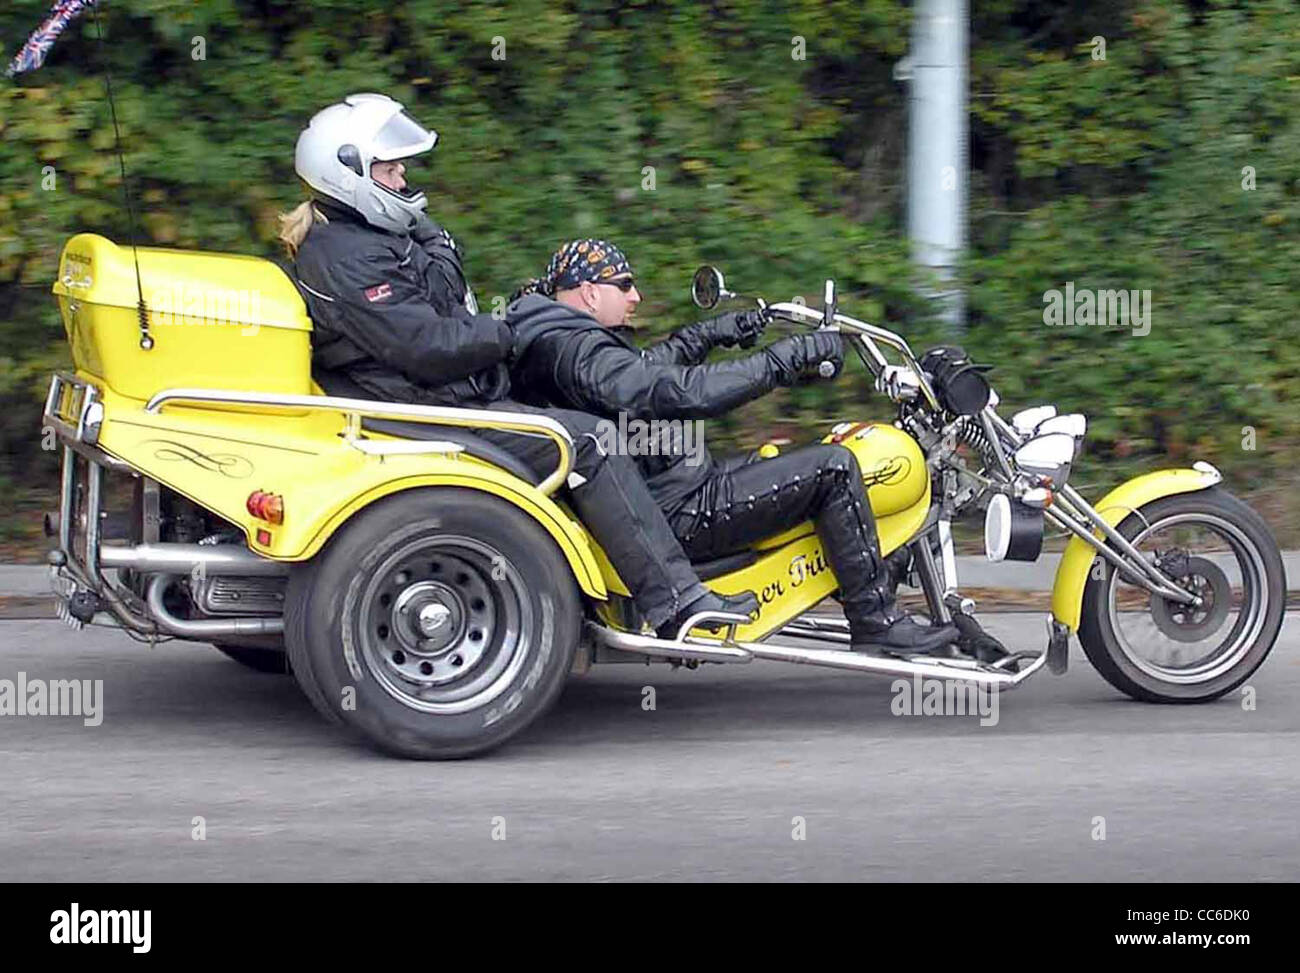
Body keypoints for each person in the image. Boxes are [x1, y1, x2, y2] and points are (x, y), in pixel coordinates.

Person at [278, 94, 757, 637]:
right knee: (593, 441)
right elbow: (428, 346)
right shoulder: (352, 257)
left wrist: (432, 238)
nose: (404, 175)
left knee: (566, 415)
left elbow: (438, 297)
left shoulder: (362, 237)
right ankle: (678, 604)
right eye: (390, 168)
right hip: (421, 407)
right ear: (349, 175)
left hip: (422, 395)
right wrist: (510, 332)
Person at [505, 239, 960, 656]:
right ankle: (876, 620)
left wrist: (716, 332)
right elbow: (671, 392)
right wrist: (787, 359)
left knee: (785, 461)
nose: (635, 296)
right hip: (680, 510)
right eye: (624, 285)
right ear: (588, 292)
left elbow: (641, 369)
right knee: (834, 468)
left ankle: (866, 577)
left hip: (673, 486)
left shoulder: (554, 337)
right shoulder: (569, 349)